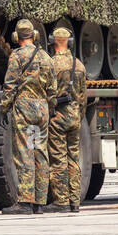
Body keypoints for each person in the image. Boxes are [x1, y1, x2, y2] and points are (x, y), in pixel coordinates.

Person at [0, 19, 56, 215]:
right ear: (34, 35)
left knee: (24, 153)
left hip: (23, 108)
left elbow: (10, 85)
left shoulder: (16, 56)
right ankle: (39, 202)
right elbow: (53, 89)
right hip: (42, 109)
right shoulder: (46, 57)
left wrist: (4, 108)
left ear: (16, 37)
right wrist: (49, 106)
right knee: (40, 152)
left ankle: (24, 201)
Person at [43, 27, 87, 213]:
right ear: (69, 42)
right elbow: (83, 97)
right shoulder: (79, 65)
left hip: (58, 117)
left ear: (54, 42)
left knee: (58, 158)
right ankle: (75, 201)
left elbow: (46, 93)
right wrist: (79, 115)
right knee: (74, 158)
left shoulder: (51, 64)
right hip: (75, 116)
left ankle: (61, 201)